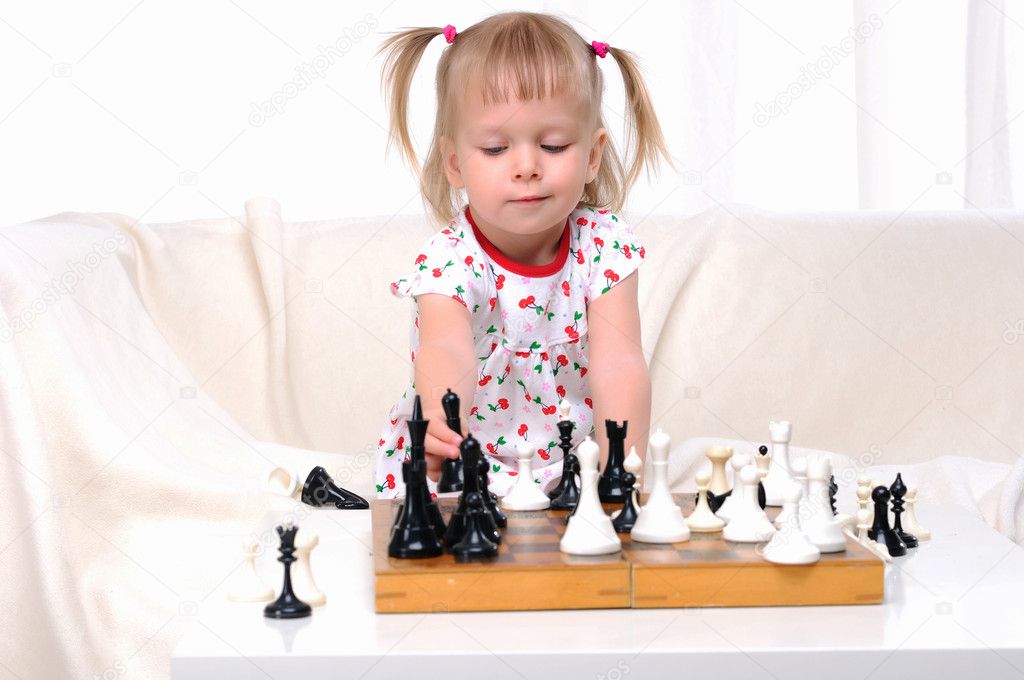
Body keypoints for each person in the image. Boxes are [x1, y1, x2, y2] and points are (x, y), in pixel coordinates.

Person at [372, 11, 674, 498]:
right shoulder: (450, 260)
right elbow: (446, 349)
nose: (527, 167)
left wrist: (623, 472)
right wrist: (440, 422)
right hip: (467, 458)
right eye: (495, 148)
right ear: (455, 163)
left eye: (553, 145)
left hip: (572, 464)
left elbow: (619, 361)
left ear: (593, 155)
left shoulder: (604, 247)